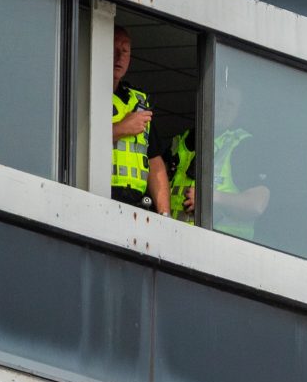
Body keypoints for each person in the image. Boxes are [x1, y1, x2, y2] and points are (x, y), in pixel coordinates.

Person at [168, 73, 269, 236]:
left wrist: (208, 198)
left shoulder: (244, 147)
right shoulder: (182, 141)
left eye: (229, 104)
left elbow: (257, 204)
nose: (222, 108)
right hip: (175, 240)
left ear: (238, 112)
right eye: (218, 100)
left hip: (223, 249)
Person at [111, 26, 170, 213]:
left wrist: (165, 216)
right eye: (114, 48)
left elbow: (155, 164)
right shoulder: (85, 89)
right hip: (98, 198)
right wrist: (122, 128)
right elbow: (76, 142)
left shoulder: (140, 102)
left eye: (125, 50)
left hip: (136, 207)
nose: (119, 56)